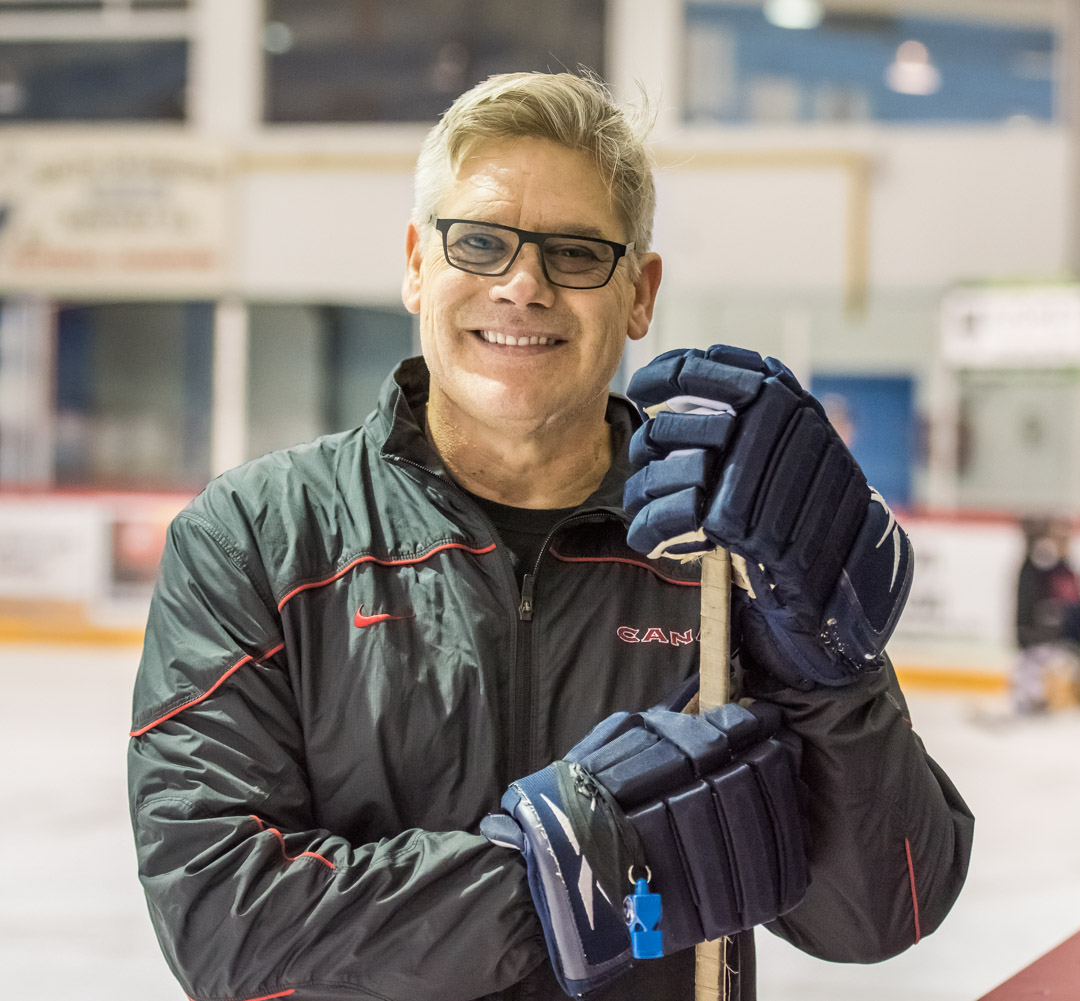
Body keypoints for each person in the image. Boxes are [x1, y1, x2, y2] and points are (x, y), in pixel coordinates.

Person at [126, 72, 972, 1001]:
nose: (522, 285)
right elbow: (220, 919)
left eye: (575, 253)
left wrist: (832, 675)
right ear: (417, 265)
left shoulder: (720, 552)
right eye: (479, 243)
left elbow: (888, 910)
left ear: (640, 294)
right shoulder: (257, 537)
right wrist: (569, 874)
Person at [1011, 517, 1080, 714]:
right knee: (1031, 665)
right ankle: (1032, 700)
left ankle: (1040, 699)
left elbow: (1070, 602)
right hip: (1037, 633)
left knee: (1043, 664)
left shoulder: (1059, 569)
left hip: (1050, 634)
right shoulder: (1038, 568)